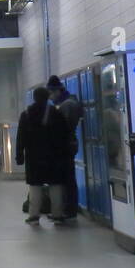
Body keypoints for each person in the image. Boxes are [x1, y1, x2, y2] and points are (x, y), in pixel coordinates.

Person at [17, 86, 70, 224]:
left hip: (33, 156)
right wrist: (64, 153)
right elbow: (63, 134)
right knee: (55, 185)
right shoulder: (54, 113)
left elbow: (20, 137)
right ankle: (57, 215)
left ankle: (34, 216)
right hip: (53, 155)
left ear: (34, 97)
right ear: (47, 97)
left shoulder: (26, 114)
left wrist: (19, 155)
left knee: (35, 187)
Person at [46, 75, 82, 224]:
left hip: (65, 146)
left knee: (66, 179)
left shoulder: (66, 105)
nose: (50, 97)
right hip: (68, 145)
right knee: (67, 179)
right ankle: (67, 209)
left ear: (57, 91)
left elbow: (62, 128)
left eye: (51, 94)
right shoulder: (68, 103)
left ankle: (69, 210)